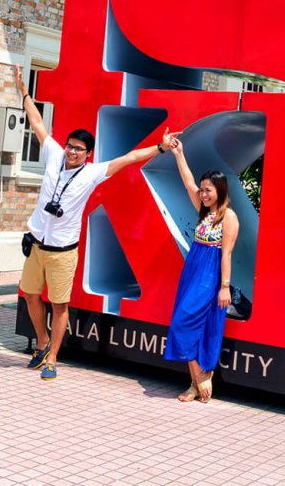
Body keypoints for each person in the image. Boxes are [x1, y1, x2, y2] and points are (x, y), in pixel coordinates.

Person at [14, 66, 179, 380]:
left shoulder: (91, 173)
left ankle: (52, 359)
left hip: (63, 251)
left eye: (79, 149)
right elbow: (37, 122)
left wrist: (161, 146)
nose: (72, 152)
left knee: (59, 306)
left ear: (88, 154)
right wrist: (24, 92)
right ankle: (42, 342)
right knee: (31, 296)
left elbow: (129, 158)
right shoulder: (52, 154)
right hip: (36, 244)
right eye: (70, 146)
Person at [164, 138, 239, 402]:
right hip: (192, 270)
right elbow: (187, 182)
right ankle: (197, 380)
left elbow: (227, 252)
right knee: (186, 323)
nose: (203, 194)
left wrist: (225, 286)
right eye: (203, 190)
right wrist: (179, 153)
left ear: (220, 189)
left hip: (210, 275)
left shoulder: (228, 217)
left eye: (208, 190)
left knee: (189, 322)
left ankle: (200, 378)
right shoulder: (204, 212)